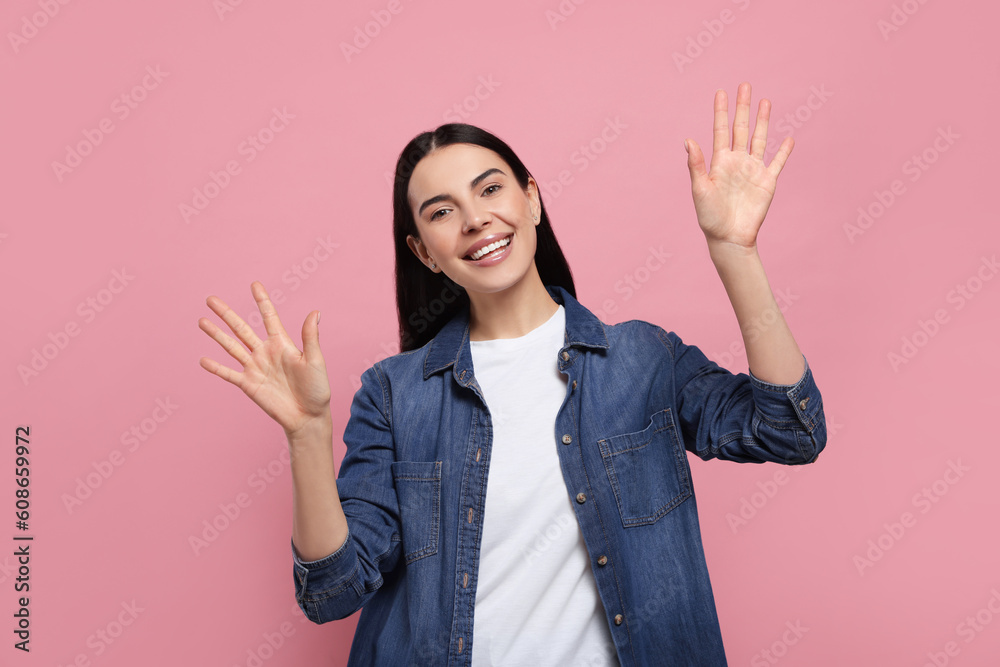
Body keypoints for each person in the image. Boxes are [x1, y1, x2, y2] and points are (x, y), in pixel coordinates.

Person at [198, 81, 827, 666]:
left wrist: (735, 252)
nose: (475, 219)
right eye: (440, 212)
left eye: (490, 189)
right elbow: (332, 592)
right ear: (424, 253)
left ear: (532, 198)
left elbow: (791, 432)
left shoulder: (642, 359)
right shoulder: (393, 394)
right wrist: (307, 435)